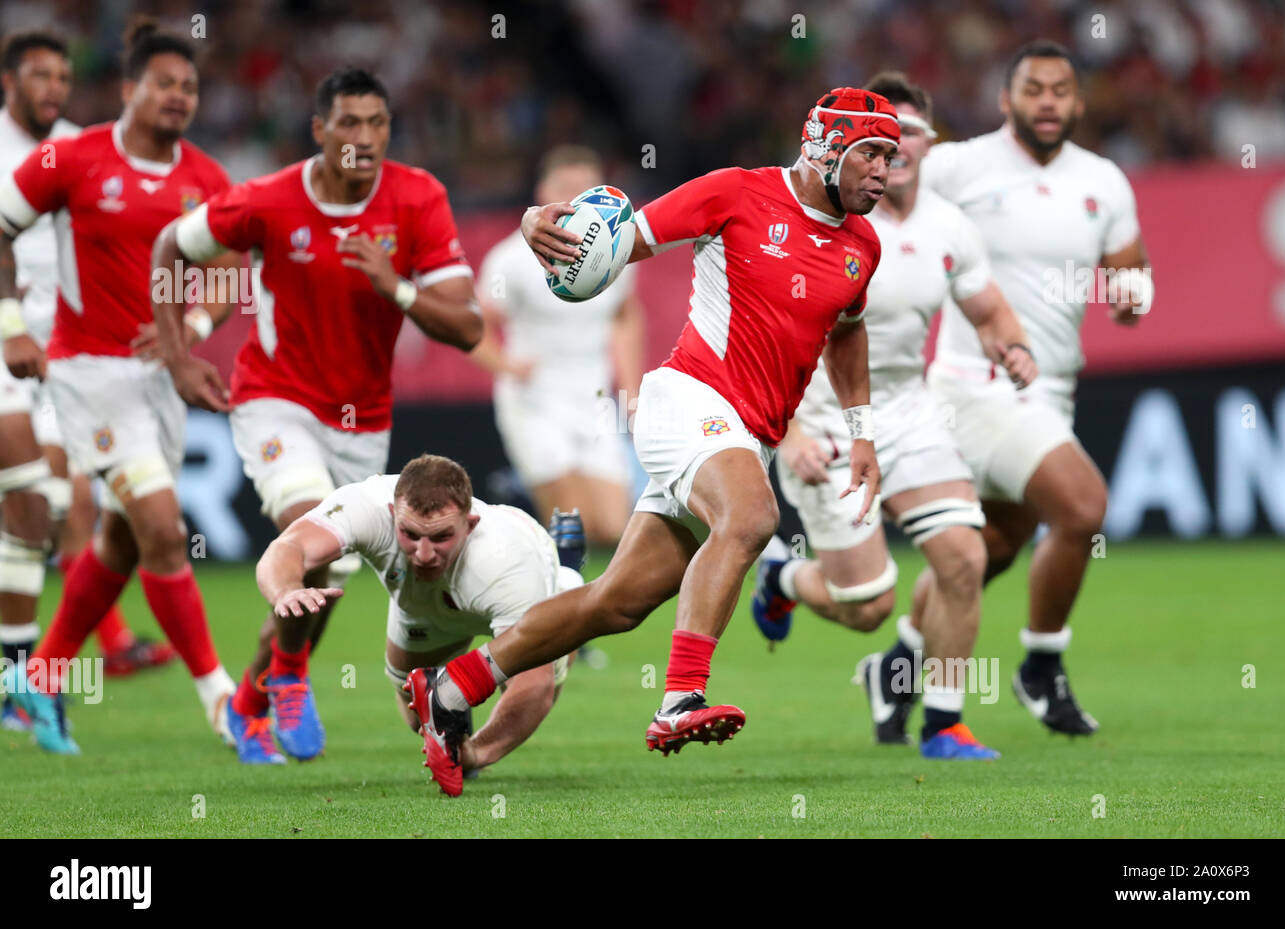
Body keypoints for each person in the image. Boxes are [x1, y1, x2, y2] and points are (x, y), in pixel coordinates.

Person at [404, 88, 898, 770]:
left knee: (615, 602)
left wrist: (861, 429)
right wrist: (538, 228)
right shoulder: (735, 192)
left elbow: (847, 332)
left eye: (890, 156)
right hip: (688, 398)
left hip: (745, 434)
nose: (883, 170)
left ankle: (456, 686)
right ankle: (679, 699)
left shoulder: (863, 246)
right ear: (825, 147)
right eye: (871, 152)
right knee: (752, 516)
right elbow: (619, 240)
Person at [152, 66, 482, 762]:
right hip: (276, 400)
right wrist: (181, 356)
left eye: (377, 124)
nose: (364, 139)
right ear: (319, 130)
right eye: (349, 124)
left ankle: (249, 701)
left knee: (324, 577)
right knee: (306, 534)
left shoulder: (417, 198)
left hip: (364, 419)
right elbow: (171, 248)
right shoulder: (270, 201)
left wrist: (394, 287)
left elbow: (469, 327)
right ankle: (293, 677)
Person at [752, 73, 1039, 759]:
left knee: (964, 555)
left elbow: (988, 306)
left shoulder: (948, 226)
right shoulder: (821, 220)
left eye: (910, 134)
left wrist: (1015, 344)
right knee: (869, 605)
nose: (897, 148)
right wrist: (787, 432)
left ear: (929, 144)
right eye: (882, 138)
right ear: (852, 148)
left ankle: (943, 722)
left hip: (908, 409)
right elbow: (771, 333)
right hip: (819, 414)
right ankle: (782, 577)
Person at [0, 20, 239, 754]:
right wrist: (11, 322)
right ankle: (226, 704)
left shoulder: (205, 177)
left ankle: (37, 678)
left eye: (190, 86)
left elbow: (232, 267)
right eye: (164, 83)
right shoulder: (71, 159)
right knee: (164, 527)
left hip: (160, 379)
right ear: (131, 89)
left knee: (122, 536)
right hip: (84, 371)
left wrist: (188, 332)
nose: (178, 96)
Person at [904, 40, 1152, 735]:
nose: (1048, 100)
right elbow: (886, 215)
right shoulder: (958, 166)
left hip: (1052, 389)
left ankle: (897, 660)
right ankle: (1041, 664)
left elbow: (1132, 269)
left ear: (1078, 101)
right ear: (1005, 99)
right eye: (1034, 88)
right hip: (974, 384)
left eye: (1061, 89)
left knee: (988, 546)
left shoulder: (1104, 180)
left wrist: (1133, 294)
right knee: (1082, 505)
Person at [249, 454, 578, 796]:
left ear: (471, 524)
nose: (422, 554)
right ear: (393, 515)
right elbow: (289, 546)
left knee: (546, 673)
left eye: (440, 538)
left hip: (516, 581)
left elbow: (534, 686)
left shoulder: (508, 561)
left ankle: (568, 585)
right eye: (410, 535)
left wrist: (475, 755)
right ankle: (456, 732)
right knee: (416, 710)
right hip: (422, 605)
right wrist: (285, 589)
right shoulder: (367, 505)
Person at [472, 145, 644, 548]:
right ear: (542, 191)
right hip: (536, 401)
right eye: (565, 187)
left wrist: (631, 390)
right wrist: (507, 366)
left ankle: (515, 494)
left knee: (613, 528)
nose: (574, 196)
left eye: (584, 186)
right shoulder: (512, 259)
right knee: (574, 527)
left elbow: (625, 315)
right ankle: (552, 590)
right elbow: (474, 323)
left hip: (594, 400)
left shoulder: (614, 256)